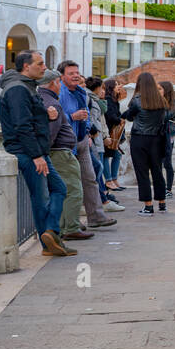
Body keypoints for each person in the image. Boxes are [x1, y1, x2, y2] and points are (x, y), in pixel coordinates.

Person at [0, 50, 73, 257]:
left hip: (36, 151)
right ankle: (49, 241)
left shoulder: (26, 87)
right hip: (28, 152)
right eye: (40, 64)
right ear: (26, 66)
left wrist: (45, 114)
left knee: (58, 188)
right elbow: (22, 125)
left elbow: (29, 116)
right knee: (41, 198)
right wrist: (36, 156)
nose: (44, 68)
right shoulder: (18, 89)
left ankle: (50, 234)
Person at [58, 61, 116, 231]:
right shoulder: (60, 93)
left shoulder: (81, 92)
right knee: (71, 184)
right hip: (66, 143)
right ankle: (72, 222)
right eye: (71, 73)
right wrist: (72, 117)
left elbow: (88, 114)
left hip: (82, 140)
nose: (76, 75)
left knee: (90, 179)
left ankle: (96, 217)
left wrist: (88, 130)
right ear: (62, 77)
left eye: (77, 72)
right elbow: (56, 118)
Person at [38, 69, 91, 241]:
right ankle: (71, 227)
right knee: (73, 190)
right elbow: (51, 133)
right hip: (60, 153)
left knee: (62, 190)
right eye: (59, 82)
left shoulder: (44, 99)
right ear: (54, 83)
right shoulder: (52, 102)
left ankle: (62, 226)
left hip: (57, 152)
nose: (60, 85)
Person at [122, 71, 170, 215]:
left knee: (142, 172)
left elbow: (129, 117)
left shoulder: (137, 100)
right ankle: (162, 203)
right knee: (157, 170)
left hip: (140, 139)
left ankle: (148, 206)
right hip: (157, 139)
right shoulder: (161, 101)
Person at [86, 76, 124, 213]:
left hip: (100, 139)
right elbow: (93, 120)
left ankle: (104, 196)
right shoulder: (90, 99)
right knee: (98, 169)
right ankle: (104, 196)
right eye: (116, 85)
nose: (119, 87)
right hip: (96, 140)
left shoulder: (99, 101)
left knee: (99, 167)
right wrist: (98, 134)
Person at [101, 79, 126, 193]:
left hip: (113, 133)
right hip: (108, 133)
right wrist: (119, 120)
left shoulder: (114, 100)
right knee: (107, 156)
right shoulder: (108, 100)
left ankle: (113, 180)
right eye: (116, 85)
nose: (119, 86)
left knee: (116, 155)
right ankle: (109, 181)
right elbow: (110, 116)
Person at [160, 80, 175, 194]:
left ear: (166, 90)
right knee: (157, 162)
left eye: (160, 89)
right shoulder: (156, 101)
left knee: (167, 162)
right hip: (156, 133)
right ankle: (161, 186)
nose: (157, 91)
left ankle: (169, 189)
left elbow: (166, 116)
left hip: (168, 133)